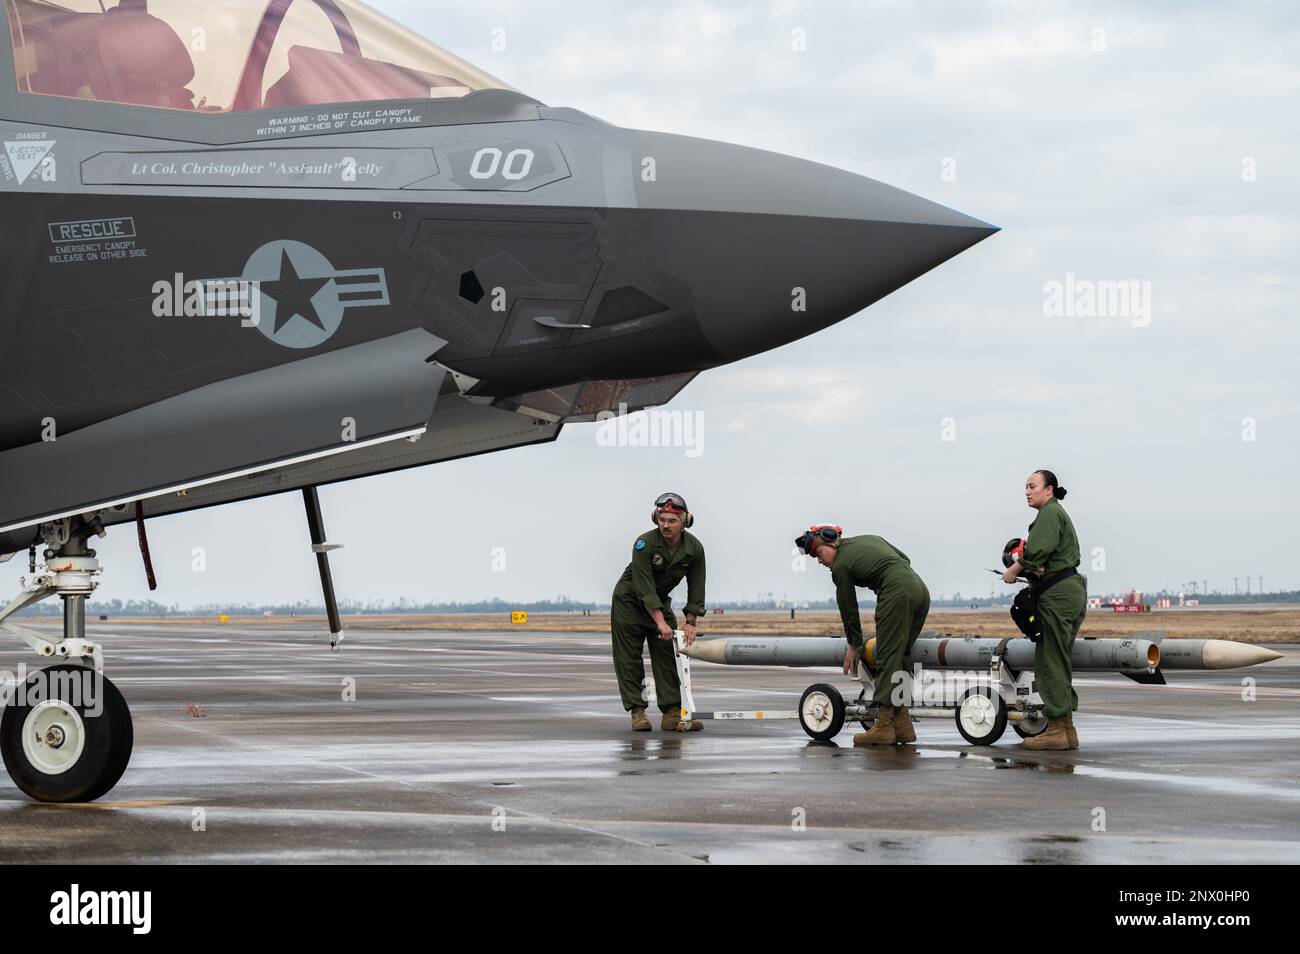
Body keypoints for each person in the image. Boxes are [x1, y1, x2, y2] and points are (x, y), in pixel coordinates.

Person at [796, 524, 930, 746]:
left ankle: (884, 726)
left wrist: (854, 644)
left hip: (896, 590)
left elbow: (848, 608)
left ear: (830, 543)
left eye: (819, 554)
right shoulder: (870, 538)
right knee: (900, 655)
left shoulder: (840, 565)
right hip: (919, 589)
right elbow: (904, 558)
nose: (820, 561)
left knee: (886, 657)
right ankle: (903, 724)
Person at [1001, 469, 1086, 750]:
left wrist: (1014, 569)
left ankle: (1058, 728)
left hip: (1058, 596)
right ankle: (1065, 730)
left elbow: (1037, 550)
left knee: (1049, 660)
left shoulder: (1049, 514)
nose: (1027, 491)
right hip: (1067, 591)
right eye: (1025, 486)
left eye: (1033, 486)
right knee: (1058, 659)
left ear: (1048, 490)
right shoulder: (1055, 514)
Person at [610, 493, 706, 732]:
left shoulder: (694, 549)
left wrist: (691, 622)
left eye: (672, 520)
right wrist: (660, 622)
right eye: (662, 519)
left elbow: (697, 586)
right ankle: (638, 712)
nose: (666, 525)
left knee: (667, 653)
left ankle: (672, 713)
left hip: (659, 602)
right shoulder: (644, 544)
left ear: (684, 521)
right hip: (629, 602)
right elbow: (644, 588)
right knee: (629, 658)